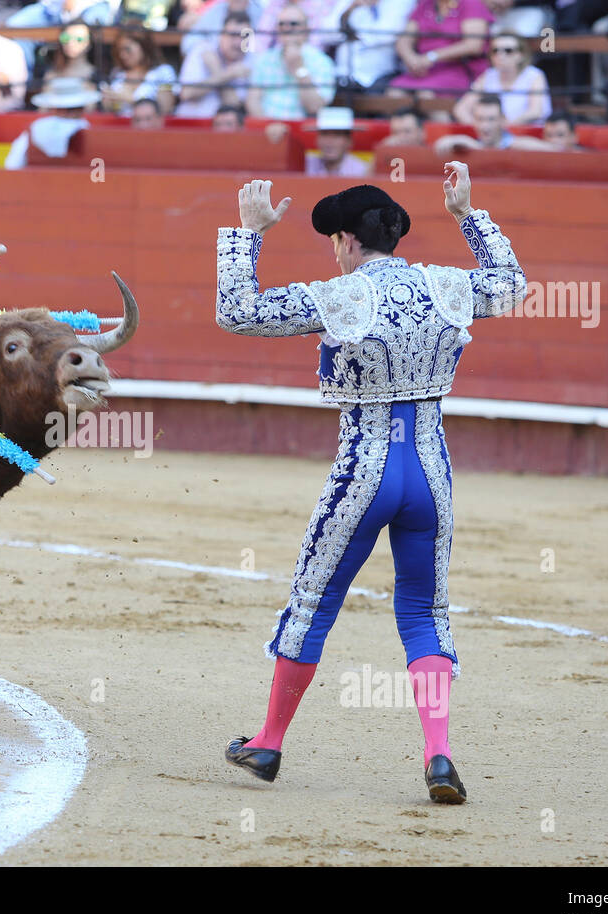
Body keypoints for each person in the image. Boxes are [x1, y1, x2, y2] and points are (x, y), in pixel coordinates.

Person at [215, 167, 527, 800]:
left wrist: (248, 235)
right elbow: (512, 285)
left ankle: (269, 743)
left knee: (312, 604)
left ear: (347, 242)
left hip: (364, 471)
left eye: (333, 239)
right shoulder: (444, 287)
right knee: (424, 612)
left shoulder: (343, 296)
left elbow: (236, 311)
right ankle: (438, 756)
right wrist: (469, 214)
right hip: (432, 474)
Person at [245, 3, 336, 119]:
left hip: (302, 131)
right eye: (281, 24)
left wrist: (299, 69)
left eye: (293, 24)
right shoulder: (264, 59)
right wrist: (269, 126)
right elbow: (252, 102)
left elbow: (314, 107)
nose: (287, 28)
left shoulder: (322, 62)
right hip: (268, 130)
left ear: (306, 30)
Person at [389, 0, 493, 100]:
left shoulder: (470, 3)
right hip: (423, 70)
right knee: (394, 92)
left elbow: (473, 45)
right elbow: (403, 40)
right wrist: (411, 59)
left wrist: (432, 56)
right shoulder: (425, 4)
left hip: (458, 69)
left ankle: (442, 118)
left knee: (426, 95)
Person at [453, 31, 550, 125]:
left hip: (527, 135)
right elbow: (460, 109)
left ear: (521, 55)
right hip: (494, 138)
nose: (500, 55)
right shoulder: (488, 76)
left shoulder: (534, 75)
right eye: (495, 51)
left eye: (508, 51)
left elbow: (536, 111)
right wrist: (480, 128)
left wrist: (502, 129)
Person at [4, 74, 99, 168]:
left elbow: (13, 163)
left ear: (54, 108)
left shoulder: (36, 128)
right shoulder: (87, 128)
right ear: (81, 109)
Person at [175, 10, 253, 118]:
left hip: (224, 129)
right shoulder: (202, 49)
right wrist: (229, 74)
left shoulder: (251, 61)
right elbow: (187, 93)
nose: (238, 42)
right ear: (221, 34)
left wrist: (217, 69)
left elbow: (234, 105)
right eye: (233, 35)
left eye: (244, 37)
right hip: (190, 123)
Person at [333, 0, 415, 92]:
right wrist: (350, 9)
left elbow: (386, 35)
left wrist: (351, 33)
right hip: (343, 74)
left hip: (379, 74)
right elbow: (328, 34)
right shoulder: (350, 2)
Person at [4, 0, 114, 67]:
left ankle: (89, 78)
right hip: (52, 9)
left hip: (92, 6)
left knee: (79, 33)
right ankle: (25, 85)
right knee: (13, 27)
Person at [434, 92, 553, 151]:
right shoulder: (465, 143)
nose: (485, 126)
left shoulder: (521, 145)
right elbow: (439, 146)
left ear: (502, 120)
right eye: (480, 119)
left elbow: (557, 151)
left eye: (491, 119)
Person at [101, 24, 177, 116]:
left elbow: (165, 109)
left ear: (143, 46)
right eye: (119, 50)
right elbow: (112, 112)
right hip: (120, 127)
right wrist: (108, 103)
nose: (122, 55)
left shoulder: (163, 72)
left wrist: (132, 99)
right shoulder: (117, 73)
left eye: (127, 49)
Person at [305, 105, 369, 175]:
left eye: (337, 135)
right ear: (317, 140)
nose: (329, 142)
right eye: (325, 134)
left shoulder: (360, 172)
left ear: (349, 141)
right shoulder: (306, 165)